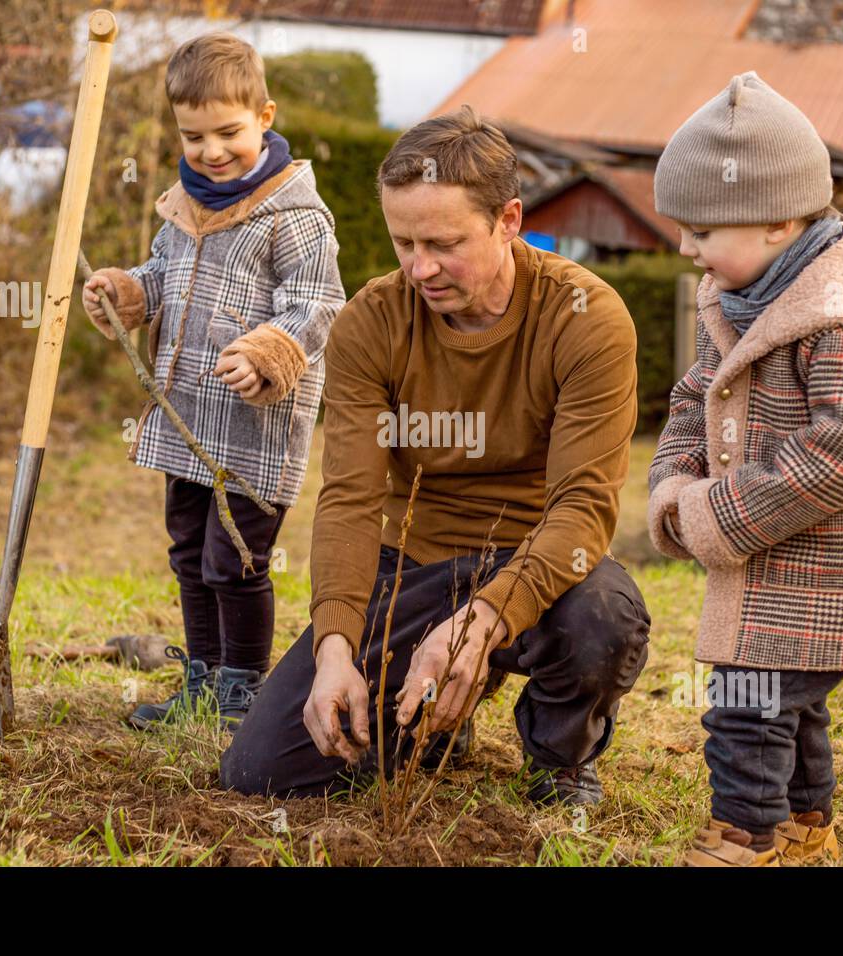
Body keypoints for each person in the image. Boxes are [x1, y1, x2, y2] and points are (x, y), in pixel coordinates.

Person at [219, 105, 651, 806]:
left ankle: (558, 756)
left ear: (508, 219)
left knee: (602, 616)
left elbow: (583, 506)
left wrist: (479, 624)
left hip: (538, 565)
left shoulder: (586, 317)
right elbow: (352, 501)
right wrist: (334, 647)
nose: (421, 267)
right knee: (262, 771)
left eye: (445, 243)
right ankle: (436, 722)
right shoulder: (372, 322)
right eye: (403, 242)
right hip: (414, 565)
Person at [647, 72, 843, 865]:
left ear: (778, 219)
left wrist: (720, 512)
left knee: (748, 704)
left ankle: (746, 838)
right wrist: (675, 479)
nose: (686, 248)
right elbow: (695, 396)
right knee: (788, 707)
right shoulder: (738, 297)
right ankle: (808, 831)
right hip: (779, 565)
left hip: (835, 568)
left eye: (702, 230)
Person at [81, 33, 345, 730]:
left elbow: (318, 306)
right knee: (190, 555)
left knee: (235, 562)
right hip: (187, 421)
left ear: (265, 116)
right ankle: (200, 679)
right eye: (193, 136)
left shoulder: (294, 215)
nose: (211, 151)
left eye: (228, 131)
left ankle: (241, 692)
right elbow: (164, 279)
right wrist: (127, 293)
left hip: (253, 432)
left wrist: (268, 352)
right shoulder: (183, 207)